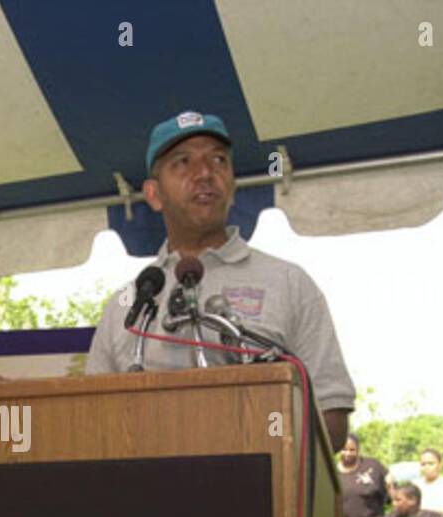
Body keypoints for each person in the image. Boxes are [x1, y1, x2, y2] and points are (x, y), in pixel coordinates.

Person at [85, 110, 356, 450]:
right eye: (183, 162)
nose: (204, 173)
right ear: (154, 194)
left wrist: (268, 448)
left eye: (218, 160)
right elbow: (90, 417)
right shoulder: (125, 306)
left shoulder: (289, 282)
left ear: (232, 185)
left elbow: (331, 415)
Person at [338, 434, 390, 517]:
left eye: (352, 450)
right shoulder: (332, 473)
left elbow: (392, 496)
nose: (348, 453)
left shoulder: (373, 466)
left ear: (358, 450)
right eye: (344, 449)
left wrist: (390, 485)